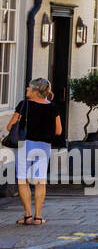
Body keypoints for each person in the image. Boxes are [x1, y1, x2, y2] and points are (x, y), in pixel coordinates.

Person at [6, 78, 61, 226]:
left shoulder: (24, 105)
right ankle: (38, 217)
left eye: (29, 88)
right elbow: (58, 130)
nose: (26, 90)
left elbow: (10, 126)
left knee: (23, 180)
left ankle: (27, 215)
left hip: (25, 146)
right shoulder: (53, 107)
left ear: (36, 91)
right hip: (44, 147)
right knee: (40, 181)